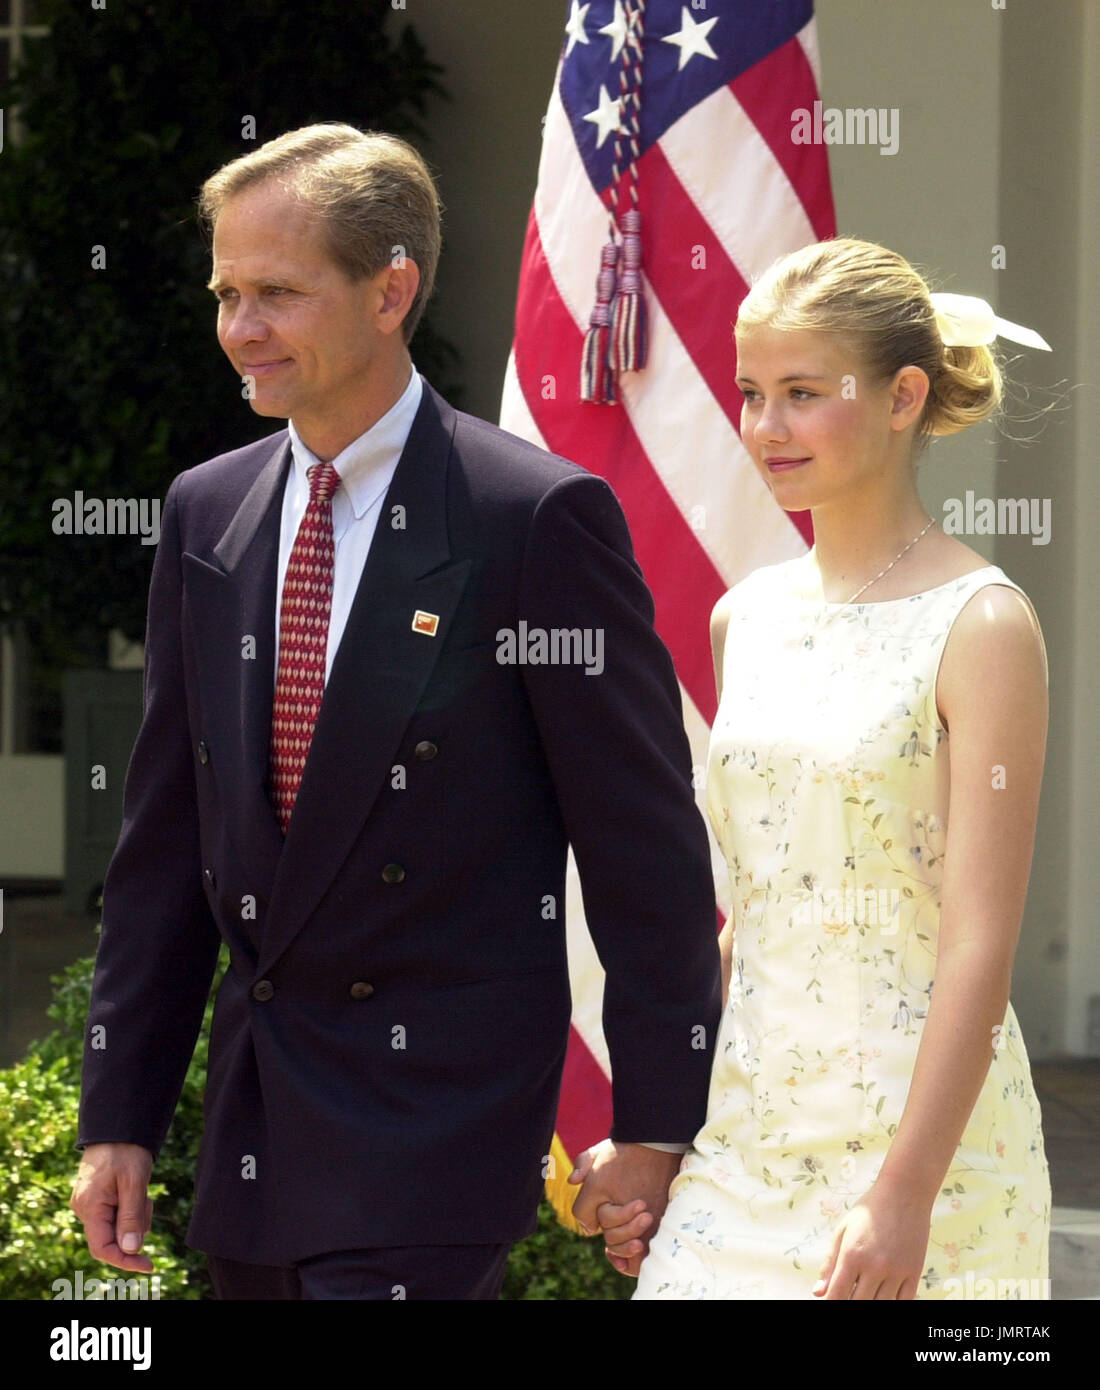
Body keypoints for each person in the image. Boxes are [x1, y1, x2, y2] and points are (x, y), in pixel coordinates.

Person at [69, 123, 721, 1300]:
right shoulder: (203, 512)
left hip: (438, 1132)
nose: (238, 329)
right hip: (255, 1131)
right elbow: (165, 845)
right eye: (225, 292)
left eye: (275, 292)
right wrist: (117, 1116)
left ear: (390, 291)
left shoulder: (531, 517)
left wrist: (659, 1125)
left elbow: (645, 855)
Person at [590, 237, 1052, 1300]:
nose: (764, 427)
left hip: (930, 1162)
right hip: (741, 1146)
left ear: (901, 396)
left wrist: (903, 1195)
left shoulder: (981, 624)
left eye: (801, 393)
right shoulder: (740, 617)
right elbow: (746, 908)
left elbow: (979, 947)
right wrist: (660, 1132)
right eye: (751, 393)